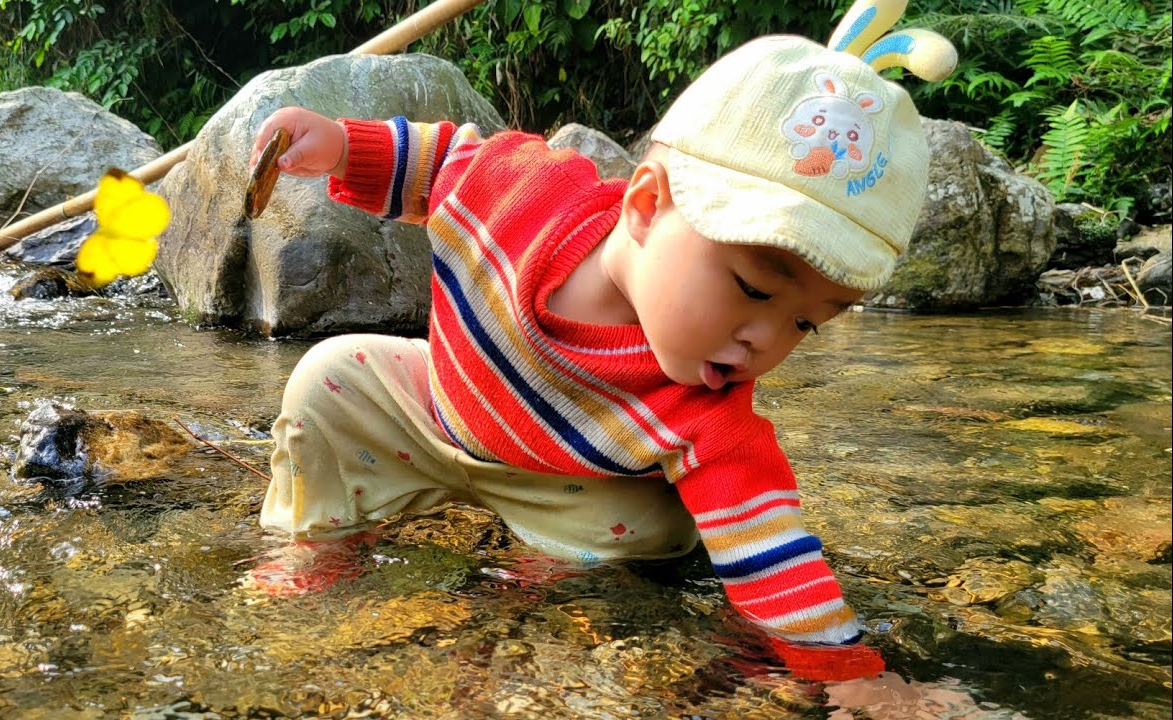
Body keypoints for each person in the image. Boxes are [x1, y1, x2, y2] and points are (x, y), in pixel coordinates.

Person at [247, 0, 956, 682]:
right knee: (333, 373)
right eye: (754, 290)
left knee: (657, 524)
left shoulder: (706, 412)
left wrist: (849, 672)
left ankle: (538, 591)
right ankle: (318, 543)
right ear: (647, 204)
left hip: (569, 489)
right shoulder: (522, 191)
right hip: (440, 418)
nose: (763, 343)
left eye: (807, 323)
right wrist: (340, 145)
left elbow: (773, 548)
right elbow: (438, 160)